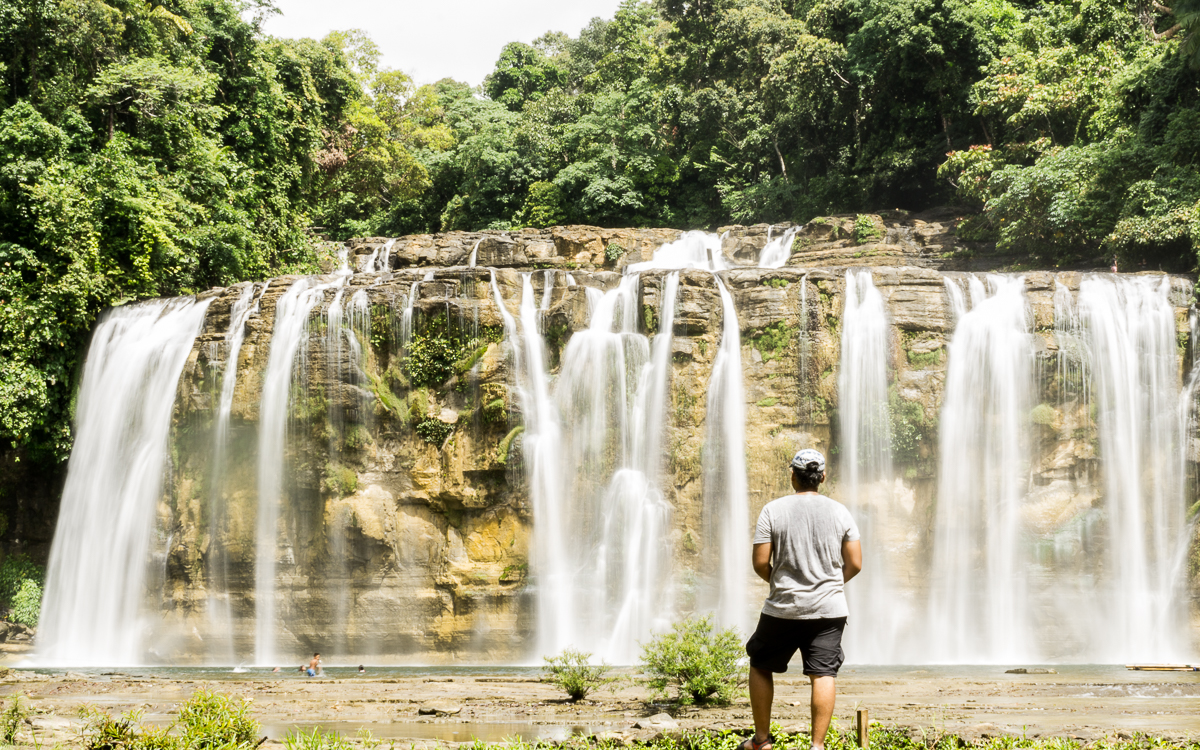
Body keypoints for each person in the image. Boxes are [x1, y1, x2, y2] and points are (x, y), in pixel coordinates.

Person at [741, 449, 862, 750]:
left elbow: (759, 561)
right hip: (829, 609)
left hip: (783, 607)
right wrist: (830, 585)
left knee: (760, 664)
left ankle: (761, 741)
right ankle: (817, 746)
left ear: (792, 475)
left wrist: (782, 584)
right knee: (822, 673)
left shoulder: (773, 510)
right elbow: (856, 563)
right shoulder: (840, 512)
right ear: (822, 477)